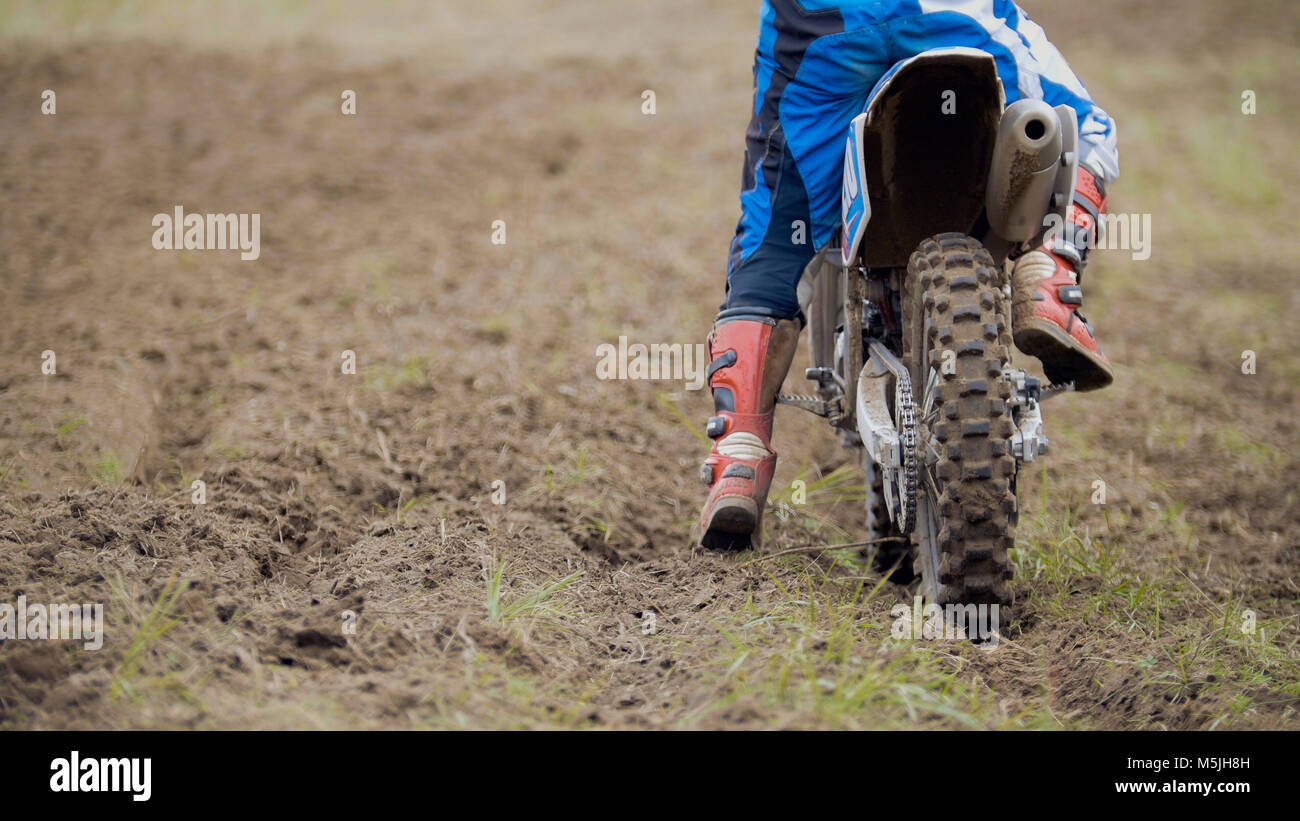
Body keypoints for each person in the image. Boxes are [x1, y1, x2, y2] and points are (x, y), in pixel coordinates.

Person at [699, 0, 1119, 550]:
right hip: (946, 11)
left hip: (822, 28)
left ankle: (740, 455)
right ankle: (1048, 272)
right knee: (1083, 127)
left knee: (776, 226)